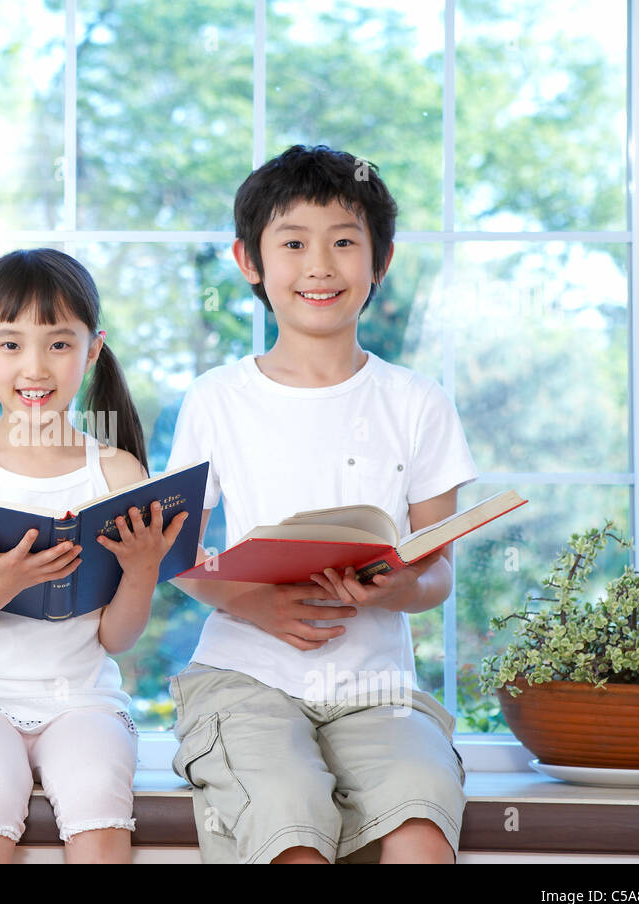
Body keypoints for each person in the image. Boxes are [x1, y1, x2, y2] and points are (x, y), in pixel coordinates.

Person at [166, 145, 478, 864]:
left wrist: (400, 587)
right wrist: (254, 603)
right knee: (288, 821)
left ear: (381, 260)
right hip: (245, 678)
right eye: (293, 244)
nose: (319, 266)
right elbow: (174, 553)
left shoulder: (419, 403)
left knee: (423, 825)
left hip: (377, 688)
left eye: (343, 242)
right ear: (249, 260)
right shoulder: (217, 398)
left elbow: (437, 571)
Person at [0, 248, 188, 864]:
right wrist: (2, 584)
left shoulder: (116, 472)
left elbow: (117, 639)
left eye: (59, 344)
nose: (34, 367)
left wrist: (142, 570)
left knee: (98, 800)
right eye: (10, 344)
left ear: (92, 351)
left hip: (83, 700)